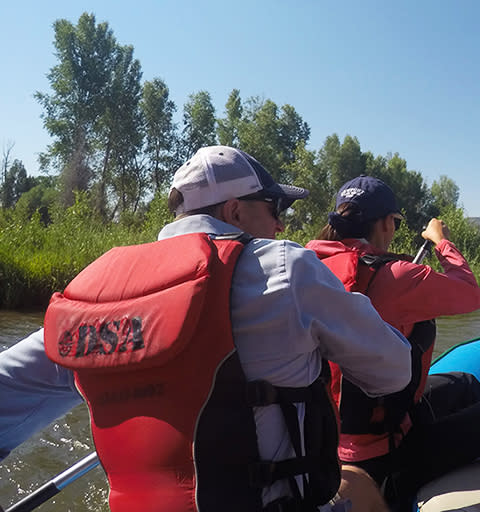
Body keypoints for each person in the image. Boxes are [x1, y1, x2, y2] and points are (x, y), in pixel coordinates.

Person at [6, 145, 413, 512]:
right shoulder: (289, 269)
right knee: (358, 484)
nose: (282, 226)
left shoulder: (94, 293)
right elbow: (394, 372)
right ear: (234, 210)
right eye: (275, 208)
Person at [305, 176, 480, 512]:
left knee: (463, 382)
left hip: (336, 441)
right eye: (395, 222)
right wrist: (440, 241)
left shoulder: (309, 264)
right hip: (389, 460)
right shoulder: (396, 276)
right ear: (385, 222)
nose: (394, 228)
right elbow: (469, 294)